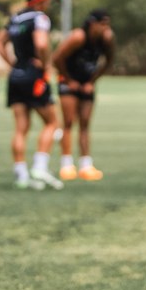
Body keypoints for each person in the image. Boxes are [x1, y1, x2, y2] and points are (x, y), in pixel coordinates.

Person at [0, 0, 64, 191]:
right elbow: (41, 43)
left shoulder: (15, 18)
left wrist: (12, 63)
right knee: (52, 122)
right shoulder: (40, 19)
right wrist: (46, 65)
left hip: (16, 75)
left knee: (21, 128)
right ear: (41, 0)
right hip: (34, 75)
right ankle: (40, 166)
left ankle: (21, 174)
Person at [52, 9, 115, 181]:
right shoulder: (78, 37)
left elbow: (109, 61)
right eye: (102, 24)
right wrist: (69, 80)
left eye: (107, 24)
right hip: (68, 81)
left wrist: (92, 82)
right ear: (92, 24)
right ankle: (66, 165)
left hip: (86, 83)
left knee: (85, 124)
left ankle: (86, 165)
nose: (106, 28)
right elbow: (56, 59)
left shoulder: (106, 39)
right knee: (69, 122)